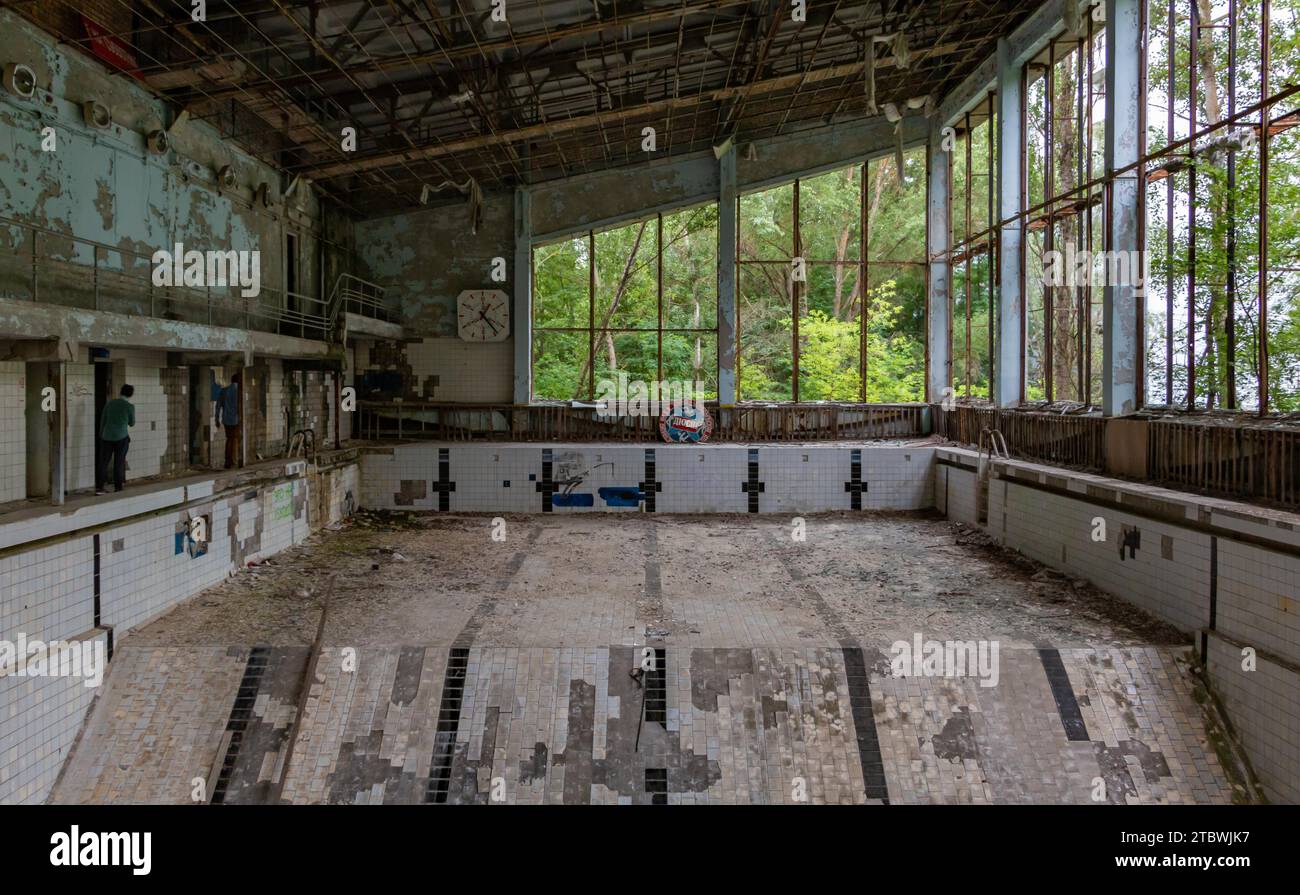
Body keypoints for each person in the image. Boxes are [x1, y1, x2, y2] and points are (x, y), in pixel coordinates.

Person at [96, 384, 135, 494]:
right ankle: (118, 487)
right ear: (131, 394)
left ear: (120, 392)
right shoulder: (129, 406)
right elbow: (132, 423)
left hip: (106, 437)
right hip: (121, 438)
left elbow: (103, 421)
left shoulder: (110, 404)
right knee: (119, 462)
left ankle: (99, 488)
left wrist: (101, 435)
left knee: (103, 462)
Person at [218, 372, 242, 469]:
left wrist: (216, 418)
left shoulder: (224, 391)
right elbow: (240, 406)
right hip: (236, 419)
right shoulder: (239, 391)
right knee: (236, 439)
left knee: (229, 439)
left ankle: (227, 461)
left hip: (226, 419)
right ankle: (234, 461)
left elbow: (218, 406)